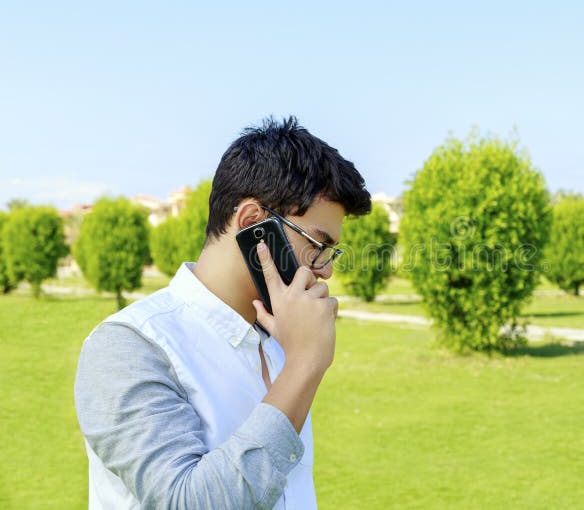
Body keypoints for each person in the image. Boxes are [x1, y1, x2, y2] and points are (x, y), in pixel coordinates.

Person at [74, 116, 371, 509]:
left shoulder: (279, 340)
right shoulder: (129, 346)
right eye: (317, 244)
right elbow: (185, 501)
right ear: (253, 223)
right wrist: (304, 366)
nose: (326, 269)